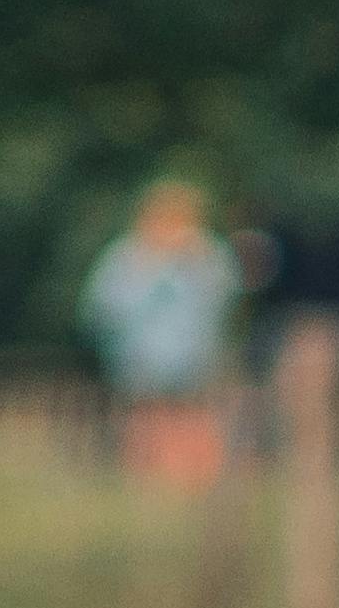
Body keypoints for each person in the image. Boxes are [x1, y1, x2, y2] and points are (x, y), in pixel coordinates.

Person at [83, 180, 240, 488]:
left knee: (195, 425)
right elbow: (100, 311)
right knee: (147, 427)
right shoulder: (127, 257)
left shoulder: (207, 254)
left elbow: (226, 296)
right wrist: (146, 269)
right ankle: (150, 491)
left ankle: (197, 488)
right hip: (142, 365)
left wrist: (196, 261)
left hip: (195, 365)